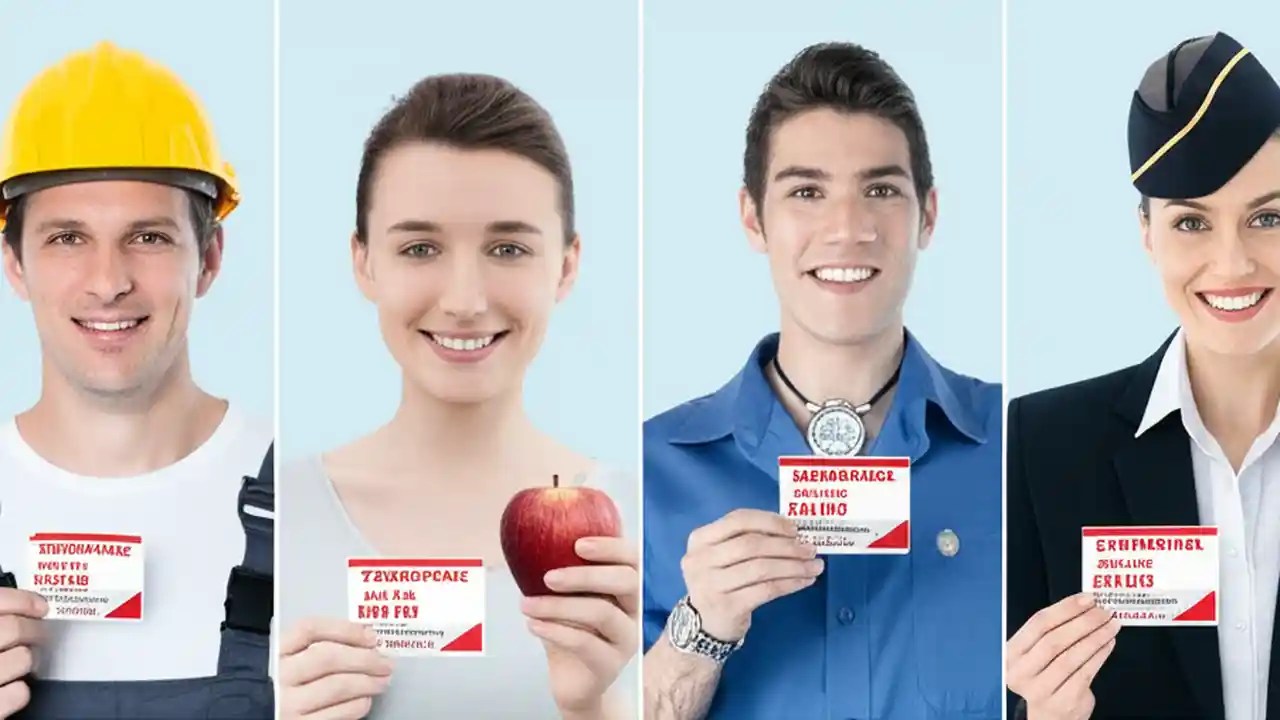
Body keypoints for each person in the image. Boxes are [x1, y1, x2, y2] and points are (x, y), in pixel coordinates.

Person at [642, 42, 1003, 719]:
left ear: (927, 214)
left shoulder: (1026, 452)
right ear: (754, 218)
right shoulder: (646, 470)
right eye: (807, 192)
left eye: (880, 190)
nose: (847, 228)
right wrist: (699, 633)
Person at [276, 73, 639, 720]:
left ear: (567, 264)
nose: (465, 301)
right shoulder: (270, 518)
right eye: (420, 248)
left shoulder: (638, 528)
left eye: (508, 248)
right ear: (363, 262)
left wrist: (596, 706)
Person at [1006, 31, 1280, 720]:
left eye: (1267, 217)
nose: (1233, 264)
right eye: (1192, 223)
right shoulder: (1041, 447)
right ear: (1146, 235)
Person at [0, 41, 275, 718]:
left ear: (208, 259)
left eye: (148, 238)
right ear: (14, 263)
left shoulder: (311, 505)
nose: (109, 281)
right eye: (67, 237)